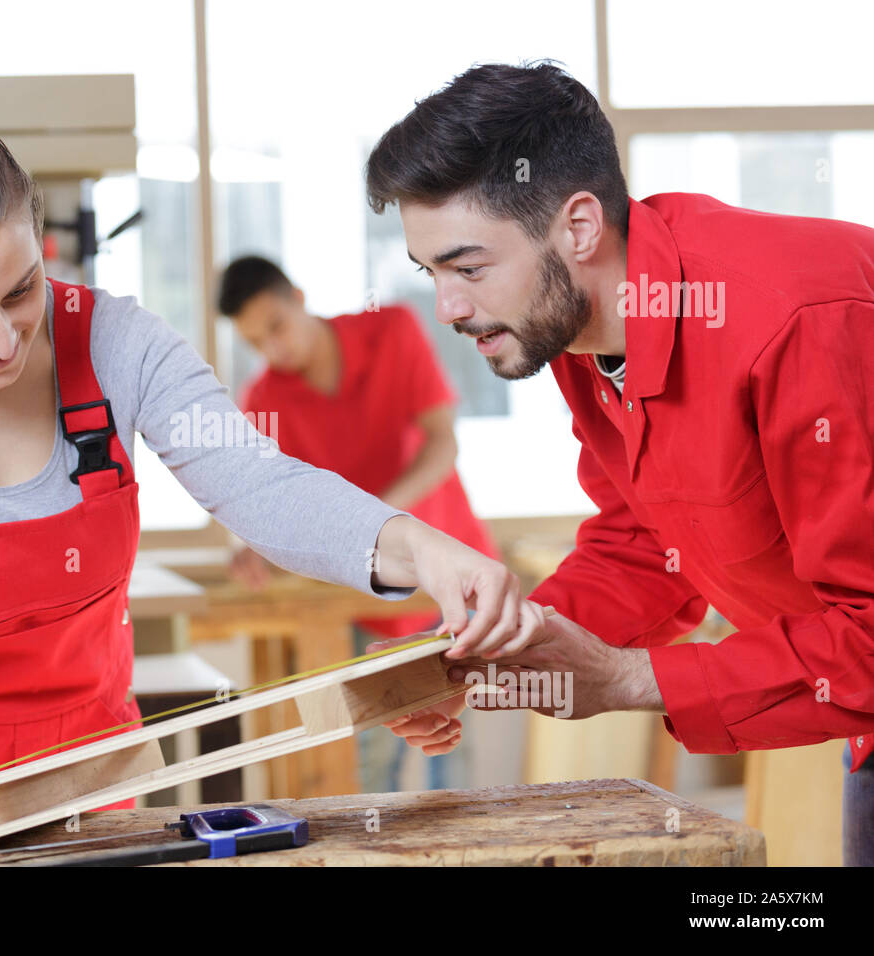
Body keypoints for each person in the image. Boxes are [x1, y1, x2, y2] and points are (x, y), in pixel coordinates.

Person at [0, 91, 544, 827]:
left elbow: (261, 485)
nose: (5, 341)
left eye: (20, 291)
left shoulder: (117, 343)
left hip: (97, 794)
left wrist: (422, 549)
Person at [363, 61, 874, 864]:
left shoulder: (796, 322)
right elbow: (645, 541)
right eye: (433, 274)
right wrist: (495, 651)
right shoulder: (580, 334)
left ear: (578, 226)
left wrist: (634, 679)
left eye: (468, 268)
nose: (449, 309)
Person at [218, 254, 500, 792]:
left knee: (453, 754)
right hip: (360, 595)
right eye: (256, 342)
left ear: (299, 299)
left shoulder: (392, 329)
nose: (274, 349)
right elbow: (259, 497)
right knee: (374, 756)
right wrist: (251, 543)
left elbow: (443, 443)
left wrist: (380, 521)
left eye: (276, 327)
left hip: (447, 576)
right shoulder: (263, 398)